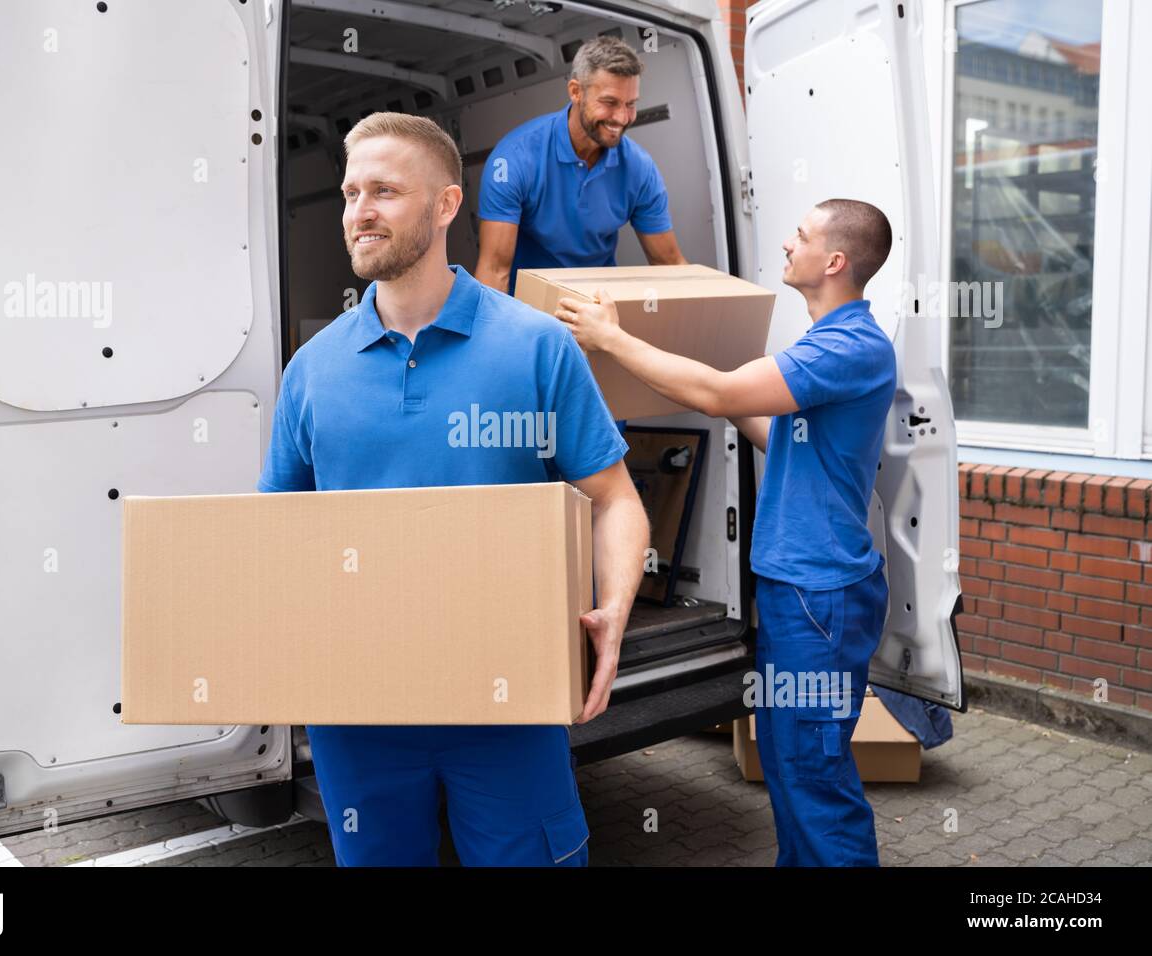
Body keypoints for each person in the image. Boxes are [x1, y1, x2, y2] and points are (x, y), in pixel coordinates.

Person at [257, 112, 650, 866]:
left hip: (506, 693)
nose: (358, 213)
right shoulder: (312, 368)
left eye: (383, 191)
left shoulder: (535, 346)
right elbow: (280, 533)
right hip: (357, 703)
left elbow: (615, 498)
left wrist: (614, 607)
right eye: (348, 193)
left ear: (444, 207)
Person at [554, 199, 898, 866]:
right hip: (804, 591)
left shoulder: (848, 348)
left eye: (801, 236)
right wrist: (719, 386)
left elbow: (716, 394)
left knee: (812, 771)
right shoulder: (829, 344)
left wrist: (612, 338)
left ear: (834, 261)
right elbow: (776, 432)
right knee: (790, 759)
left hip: (817, 596)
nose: (786, 243)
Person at [474, 35, 685, 296]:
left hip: (599, 305)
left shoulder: (639, 168)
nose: (621, 118)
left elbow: (669, 265)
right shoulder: (514, 158)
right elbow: (494, 273)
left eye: (630, 105)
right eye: (609, 103)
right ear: (575, 92)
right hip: (528, 307)